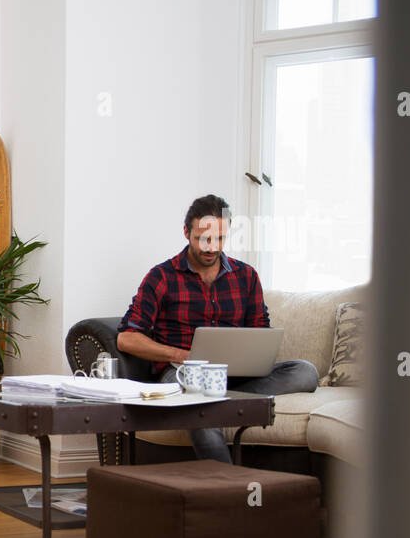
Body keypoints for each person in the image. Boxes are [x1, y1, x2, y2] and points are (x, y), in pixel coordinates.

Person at [115, 194, 319, 463]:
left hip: (233, 376)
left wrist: (252, 357)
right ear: (187, 232)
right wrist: (180, 355)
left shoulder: (246, 276)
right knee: (196, 404)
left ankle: (218, 401)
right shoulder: (161, 276)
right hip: (182, 376)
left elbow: (260, 331)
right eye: (203, 239)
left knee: (305, 372)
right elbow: (126, 339)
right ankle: (229, 490)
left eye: (219, 239)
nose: (211, 247)